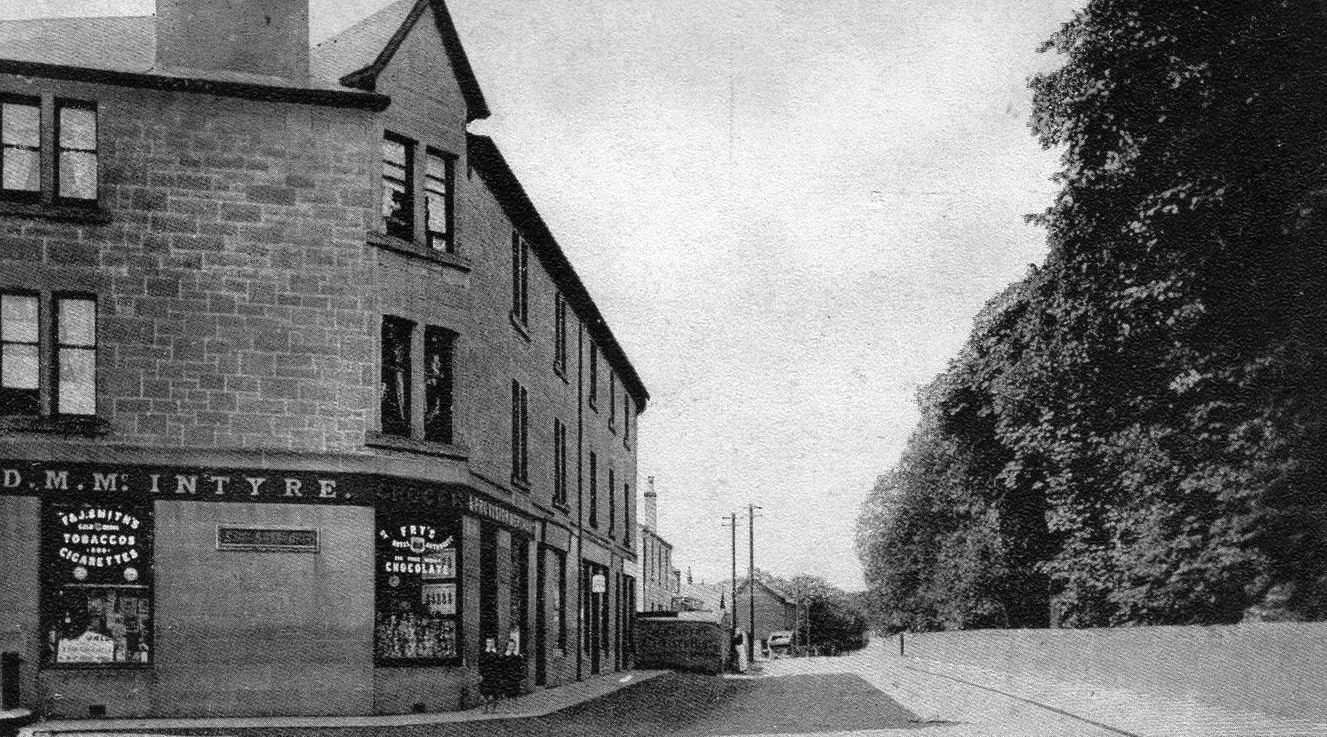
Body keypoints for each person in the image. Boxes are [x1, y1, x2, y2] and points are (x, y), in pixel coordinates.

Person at [477, 637, 502, 712]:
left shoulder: (496, 653)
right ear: (486, 644)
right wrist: (481, 674)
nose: (490, 644)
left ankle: (494, 709)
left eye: (492, 642)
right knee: (485, 691)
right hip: (486, 675)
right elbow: (481, 664)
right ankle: (485, 709)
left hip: (494, 675)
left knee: (495, 691)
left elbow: (499, 664)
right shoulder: (484, 653)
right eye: (488, 642)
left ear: (494, 643)